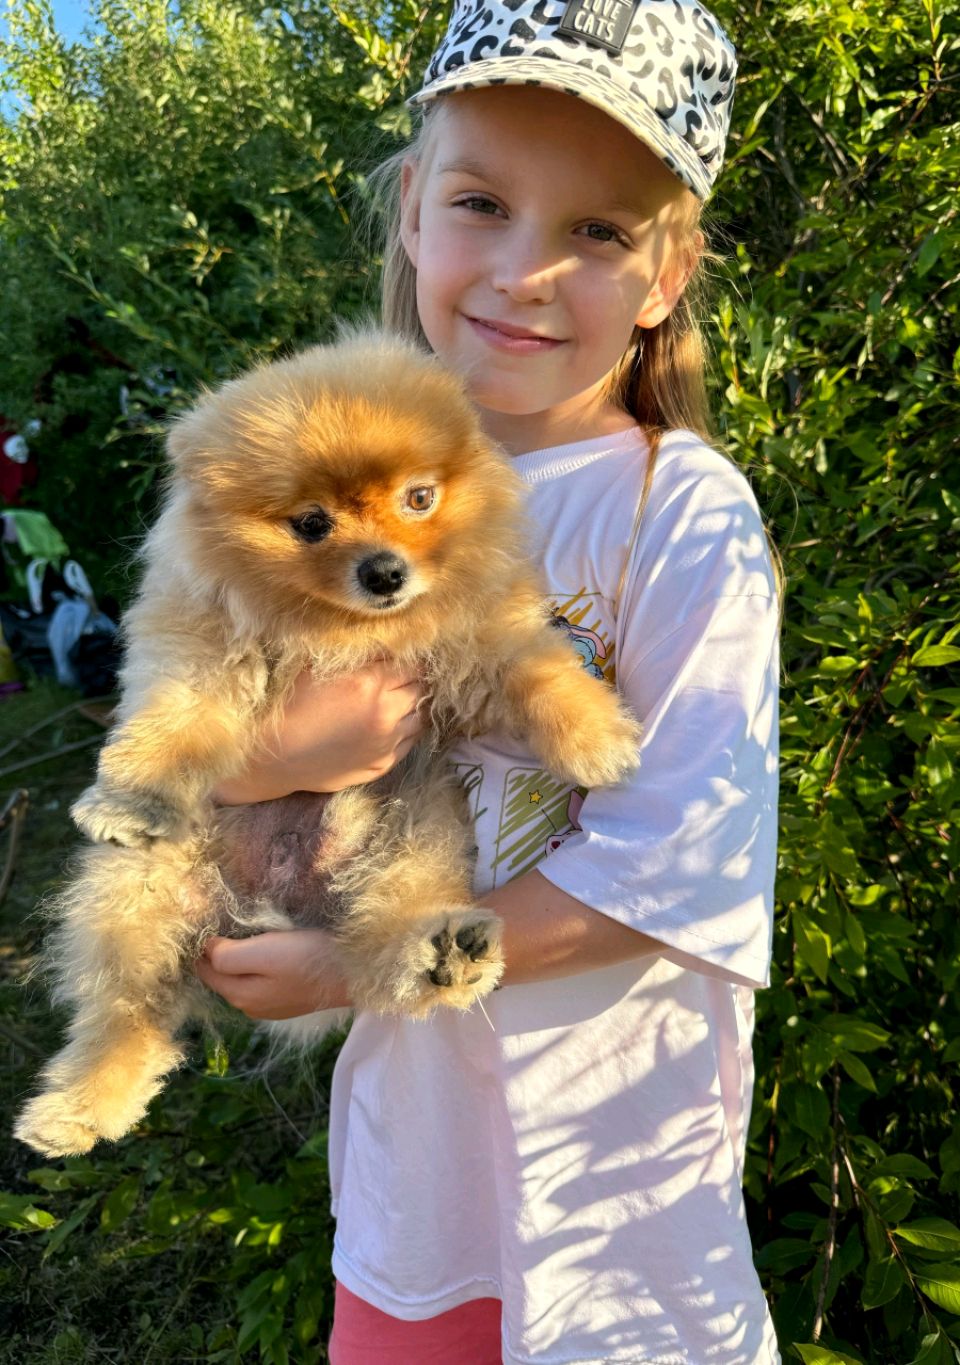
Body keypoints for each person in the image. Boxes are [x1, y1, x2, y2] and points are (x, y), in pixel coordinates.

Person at [196, 1, 782, 1360]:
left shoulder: (680, 513)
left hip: (612, 1198)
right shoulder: (335, 482)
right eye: (482, 204)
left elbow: (676, 867)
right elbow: (193, 719)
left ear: (669, 271)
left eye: (599, 230)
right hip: (417, 1192)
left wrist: (355, 965)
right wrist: (271, 759)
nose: (526, 273)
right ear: (414, 207)